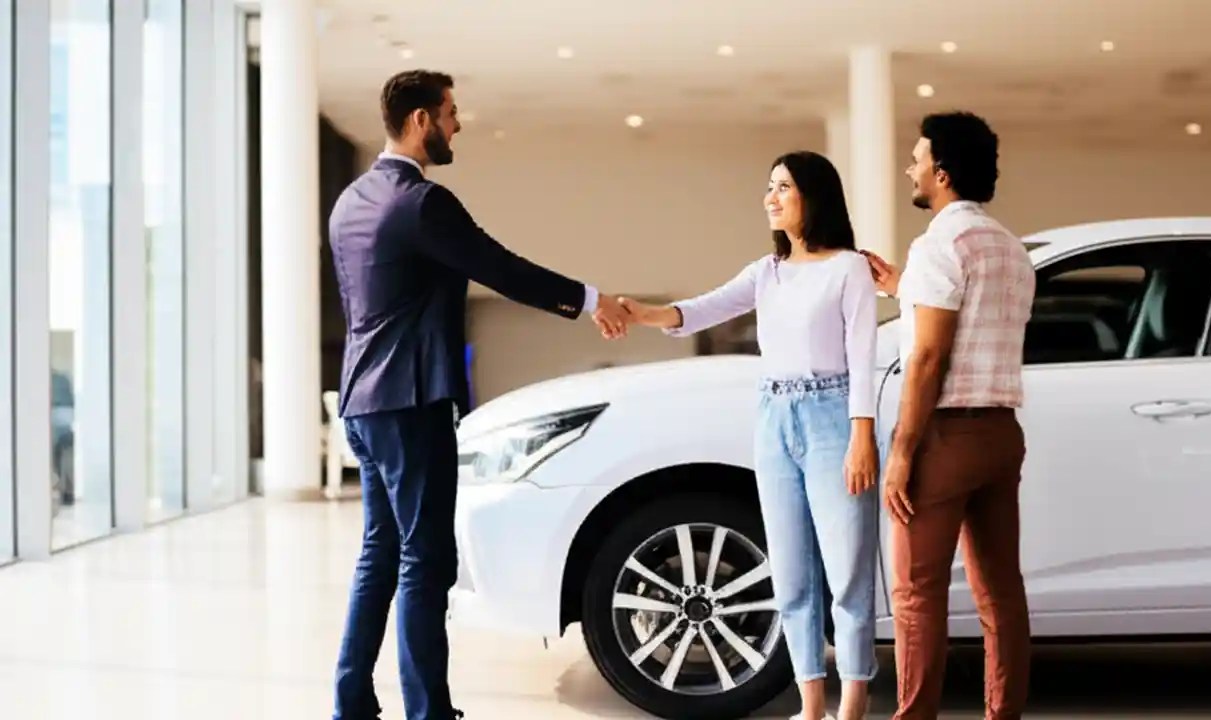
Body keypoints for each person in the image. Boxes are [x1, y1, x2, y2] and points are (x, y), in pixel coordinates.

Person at [326, 69, 630, 720]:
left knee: (381, 554)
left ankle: (351, 701)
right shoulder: (421, 203)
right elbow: (500, 267)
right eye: (450, 112)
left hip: (362, 399)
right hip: (410, 402)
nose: (457, 124)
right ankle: (428, 712)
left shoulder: (350, 200)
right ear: (419, 121)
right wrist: (590, 301)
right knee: (424, 561)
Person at [620, 151, 881, 720]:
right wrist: (642, 313)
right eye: (769, 187)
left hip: (834, 417)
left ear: (813, 196)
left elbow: (864, 360)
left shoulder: (849, 269)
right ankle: (812, 704)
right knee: (790, 575)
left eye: (783, 187)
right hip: (773, 418)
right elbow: (700, 310)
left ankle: (853, 704)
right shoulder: (766, 272)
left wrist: (863, 437)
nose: (770, 197)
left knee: (847, 573)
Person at [861, 111, 1035, 720]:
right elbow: (971, 314)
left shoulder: (938, 244)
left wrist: (903, 450)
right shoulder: (1012, 250)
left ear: (941, 172)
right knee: (1000, 592)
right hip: (1000, 434)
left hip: (945, 436)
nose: (909, 167)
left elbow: (930, 355)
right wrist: (902, 287)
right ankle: (1002, 713)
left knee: (916, 595)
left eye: (916, 159)